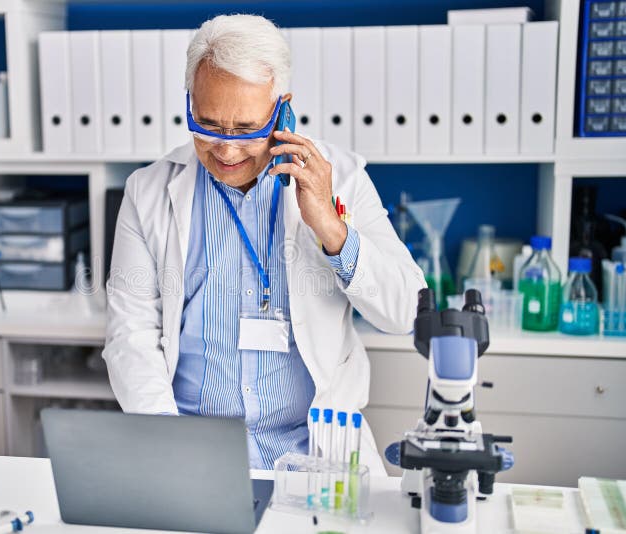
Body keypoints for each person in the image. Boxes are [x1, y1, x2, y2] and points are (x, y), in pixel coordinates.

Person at [103, 14, 426, 472]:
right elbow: (130, 336)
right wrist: (168, 444)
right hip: (192, 450)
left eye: (245, 130)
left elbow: (405, 311)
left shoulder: (343, 178)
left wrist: (331, 230)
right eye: (209, 125)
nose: (227, 151)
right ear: (190, 103)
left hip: (316, 453)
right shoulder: (149, 191)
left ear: (283, 109)